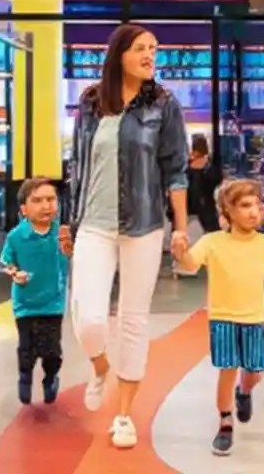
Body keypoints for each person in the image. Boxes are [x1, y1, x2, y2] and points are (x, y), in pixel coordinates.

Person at [67, 23, 190, 450]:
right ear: (119, 53)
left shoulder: (163, 104)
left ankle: (123, 415)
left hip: (144, 225)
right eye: (141, 48)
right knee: (90, 319)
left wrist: (179, 228)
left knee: (134, 321)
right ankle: (100, 366)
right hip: (94, 226)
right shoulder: (89, 102)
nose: (150, 56)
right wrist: (70, 220)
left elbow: (176, 170)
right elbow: (78, 166)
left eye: (154, 49)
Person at [171, 178, 264, 456]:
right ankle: (225, 422)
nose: (253, 211)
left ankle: (245, 392)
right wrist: (180, 251)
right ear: (228, 212)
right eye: (244, 205)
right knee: (227, 369)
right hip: (223, 317)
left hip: (253, 318)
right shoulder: (213, 242)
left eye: (257, 205)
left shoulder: (263, 243)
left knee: (253, 372)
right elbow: (191, 262)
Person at [0, 178, 71, 406]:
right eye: (37, 201)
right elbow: (7, 261)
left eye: (50, 199)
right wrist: (14, 272)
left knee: (52, 350)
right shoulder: (16, 237)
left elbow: (70, 255)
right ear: (24, 209)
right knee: (27, 348)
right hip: (25, 304)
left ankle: (50, 377)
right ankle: (25, 376)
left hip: (54, 302)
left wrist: (69, 249)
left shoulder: (62, 232)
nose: (45, 206)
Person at [174, 132, 222, 277]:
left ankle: (183, 267)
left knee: (195, 236)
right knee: (210, 236)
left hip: (196, 206)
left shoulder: (188, 167)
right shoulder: (208, 166)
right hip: (202, 206)